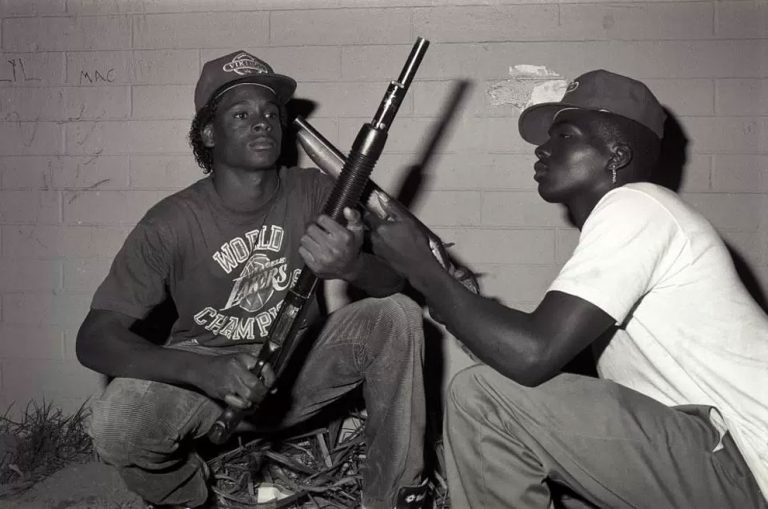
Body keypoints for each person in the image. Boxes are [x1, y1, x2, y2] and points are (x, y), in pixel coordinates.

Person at [370, 69, 768, 508]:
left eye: (564, 136)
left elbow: (531, 356)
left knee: (482, 398)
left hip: (745, 463)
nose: (542, 149)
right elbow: (536, 362)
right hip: (714, 460)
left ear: (617, 155)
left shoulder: (638, 206)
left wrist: (425, 271)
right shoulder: (631, 227)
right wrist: (444, 287)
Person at [76, 50, 428, 509]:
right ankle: (190, 498)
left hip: (298, 364)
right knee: (116, 423)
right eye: (241, 114)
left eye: (270, 113)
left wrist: (352, 267)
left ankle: (393, 496)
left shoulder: (318, 191)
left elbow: (393, 284)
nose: (261, 123)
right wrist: (200, 371)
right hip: (206, 382)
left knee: (397, 315)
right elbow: (94, 339)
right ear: (209, 133)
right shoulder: (169, 223)